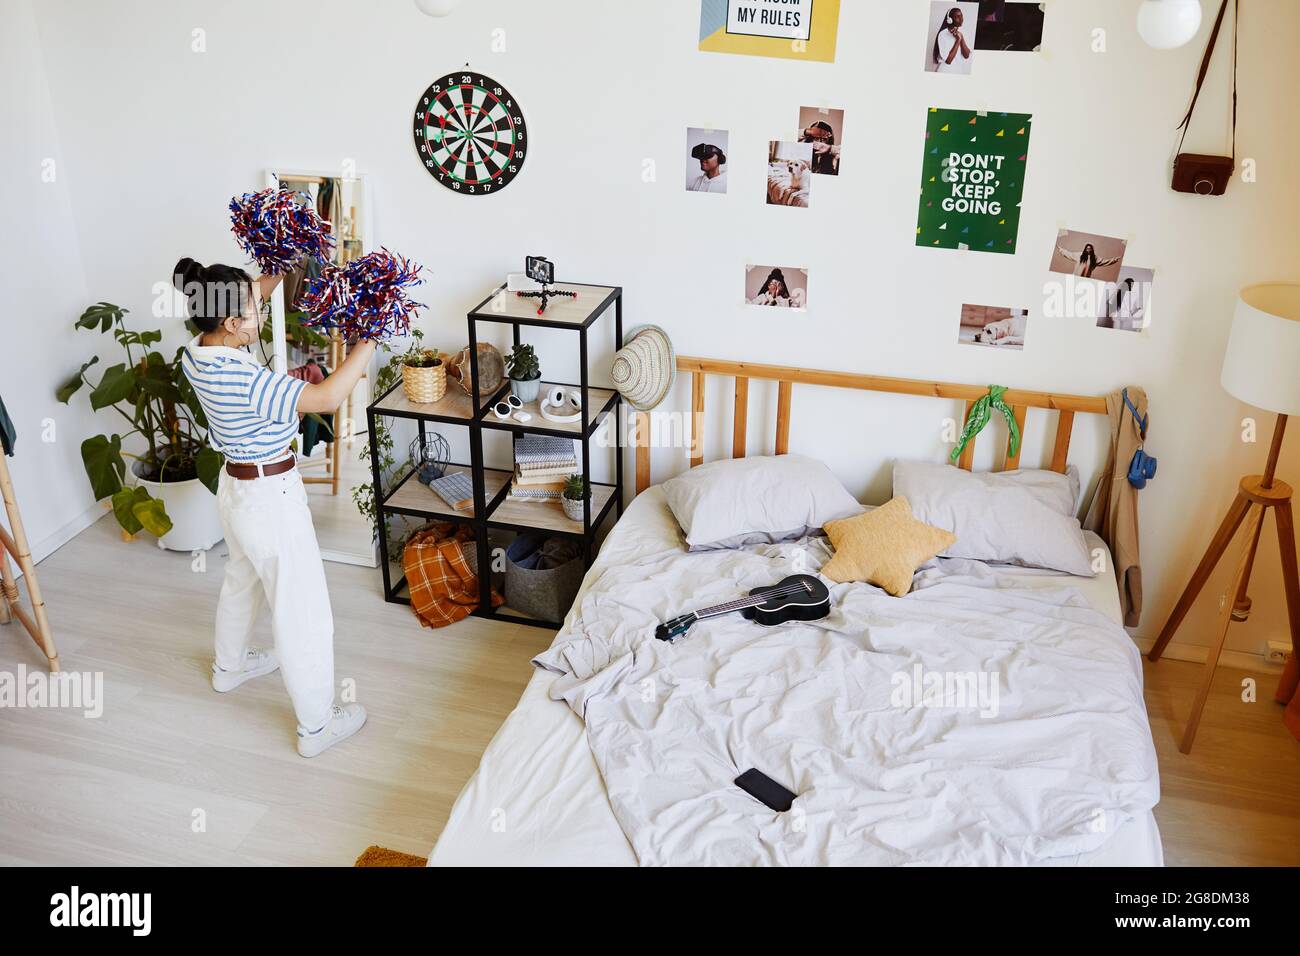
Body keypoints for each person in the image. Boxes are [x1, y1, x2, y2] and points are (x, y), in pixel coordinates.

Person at [173, 257, 374, 757]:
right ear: (231, 322)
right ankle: (317, 726)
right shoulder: (246, 382)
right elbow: (326, 398)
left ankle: (230, 667)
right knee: (302, 609)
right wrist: (369, 338)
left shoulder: (196, 351)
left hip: (237, 491)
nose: (262, 310)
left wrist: (282, 262)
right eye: (253, 309)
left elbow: (253, 295)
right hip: (270, 499)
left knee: (242, 579)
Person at [932, 6, 972, 73]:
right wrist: (958, 40)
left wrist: (961, 37)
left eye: (961, 16)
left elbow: (966, 56)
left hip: (959, 71)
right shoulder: (943, 34)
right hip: (945, 71)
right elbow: (948, 61)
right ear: (950, 19)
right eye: (957, 16)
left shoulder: (963, 32)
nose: (961, 19)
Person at [1056, 241, 1123, 279]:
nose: (1088, 250)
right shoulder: (1080, 255)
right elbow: (1069, 254)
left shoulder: (1095, 258)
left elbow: (1105, 261)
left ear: (1092, 249)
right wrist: (1060, 249)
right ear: (1085, 249)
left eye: (1090, 249)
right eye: (1087, 248)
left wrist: (1115, 259)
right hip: (1075, 276)